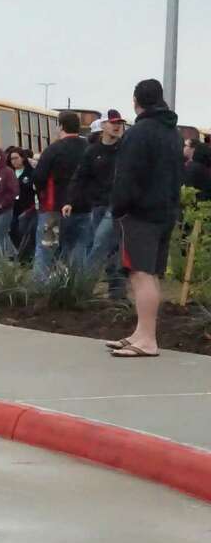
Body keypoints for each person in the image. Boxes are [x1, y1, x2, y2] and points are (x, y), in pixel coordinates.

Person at [106, 79, 183, 357]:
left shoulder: (139, 133)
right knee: (150, 273)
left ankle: (147, 339)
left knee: (140, 273)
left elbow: (127, 175)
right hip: (165, 211)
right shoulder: (172, 132)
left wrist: (119, 207)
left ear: (136, 101)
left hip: (139, 213)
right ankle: (141, 332)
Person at [68, 109, 127, 297]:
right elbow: (80, 177)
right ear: (103, 126)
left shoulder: (126, 150)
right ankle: (117, 292)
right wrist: (70, 201)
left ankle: (82, 289)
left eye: (120, 123)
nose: (117, 126)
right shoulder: (92, 151)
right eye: (113, 122)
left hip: (117, 205)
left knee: (101, 243)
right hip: (97, 205)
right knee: (109, 248)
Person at [32, 111, 88, 280]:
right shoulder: (88, 148)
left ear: (61, 126)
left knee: (46, 249)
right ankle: (76, 287)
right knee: (78, 249)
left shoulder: (53, 149)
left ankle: (40, 286)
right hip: (83, 208)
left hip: (53, 209)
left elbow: (39, 177)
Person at [7, 147, 36, 259]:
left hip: (27, 207)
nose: (14, 161)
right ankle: (20, 253)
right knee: (13, 230)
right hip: (12, 207)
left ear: (23, 158)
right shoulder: (10, 172)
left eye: (16, 158)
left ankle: (27, 256)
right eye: (12, 159)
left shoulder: (30, 172)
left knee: (25, 232)